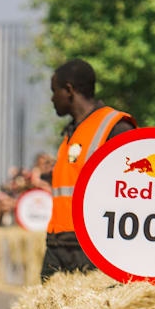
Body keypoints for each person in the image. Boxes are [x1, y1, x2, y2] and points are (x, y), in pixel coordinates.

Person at [42, 59, 136, 282]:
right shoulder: (72, 131)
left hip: (90, 247)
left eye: (54, 92)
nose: (52, 98)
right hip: (59, 243)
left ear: (69, 90)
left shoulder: (115, 127)